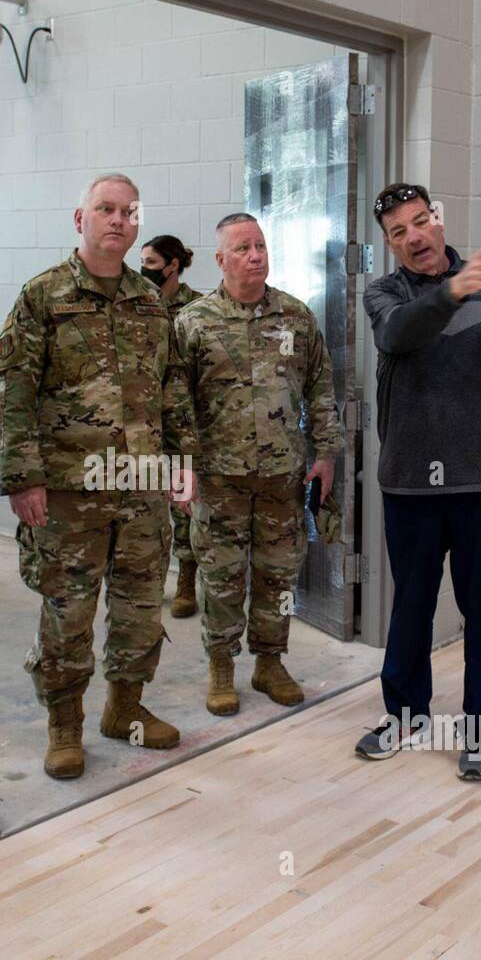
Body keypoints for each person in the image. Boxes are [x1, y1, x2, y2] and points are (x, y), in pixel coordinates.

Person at [0, 173, 198, 780]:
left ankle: (125, 710)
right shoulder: (44, 297)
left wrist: (182, 465)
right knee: (68, 612)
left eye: (128, 212)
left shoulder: (151, 301)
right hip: (67, 491)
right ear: (79, 220)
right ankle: (64, 725)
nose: (117, 221)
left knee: (138, 608)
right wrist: (22, 478)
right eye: (104, 210)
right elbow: (14, 392)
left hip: (141, 490)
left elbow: (172, 391)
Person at [357, 183, 481, 780]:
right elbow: (399, 334)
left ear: (437, 221)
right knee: (410, 608)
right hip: (411, 485)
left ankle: (478, 728)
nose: (413, 237)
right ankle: (406, 714)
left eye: (420, 222)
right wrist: (453, 290)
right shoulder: (384, 293)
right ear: (390, 245)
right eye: (397, 233)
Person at [175, 213, 342, 716]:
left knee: (277, 575)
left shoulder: (294, 316)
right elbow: (175, 401)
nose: (255, 255)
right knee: (222, 576)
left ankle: (270, 662)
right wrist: (180, 465)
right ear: (221, 259)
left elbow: (321, 386)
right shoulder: (193, 323)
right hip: (218, 478)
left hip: (282, 475)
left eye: (261, 246)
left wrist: (326, 454)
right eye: (243, 248)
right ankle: (221, 667)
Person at [140, 234, 203, 619]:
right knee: (145, 505)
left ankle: (186, 582)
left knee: (183, 505)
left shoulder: (195, 307)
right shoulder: (137, 303)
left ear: (173, 265)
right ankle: (149, 581)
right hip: (145, 418)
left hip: (182, 416)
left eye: (150, 262)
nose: (143, 269)